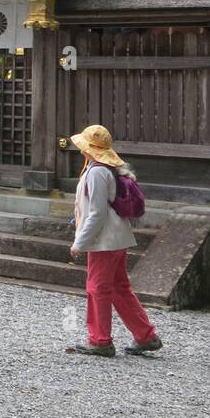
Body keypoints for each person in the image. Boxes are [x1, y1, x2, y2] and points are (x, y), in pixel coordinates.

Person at [69, 124, 162, 358]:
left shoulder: (96, 171)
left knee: (97, 289)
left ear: (88, 148)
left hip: (104, 239)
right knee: (119, 288)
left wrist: (80, 242)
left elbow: (97, 212)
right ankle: (145, 335)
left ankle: (100, 340)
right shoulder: (105, 168)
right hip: (116, 236)